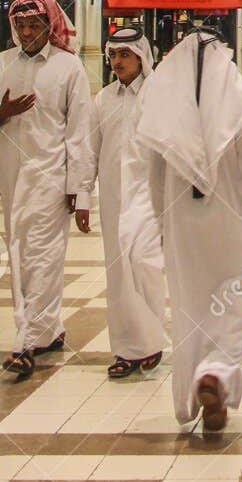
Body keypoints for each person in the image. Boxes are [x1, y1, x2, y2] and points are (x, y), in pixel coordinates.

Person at [130, 27, 242, 433]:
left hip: (180, 222)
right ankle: (216, 372)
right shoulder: (235, 94)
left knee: (190, 304)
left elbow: (153, 175)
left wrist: (160, 222)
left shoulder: (161, 99)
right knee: (236, 293)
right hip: (227, 219)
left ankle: (200, 389)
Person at [0, 0, 92, 382]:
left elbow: (79, 134)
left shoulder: (68, 67)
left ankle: (25, 342)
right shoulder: (0, 64)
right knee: (21, 253)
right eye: (21, 25)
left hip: (52, 178)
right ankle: (48, 330)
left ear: (49, 26)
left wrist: (80, 187)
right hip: (13, 178)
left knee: (42, 255)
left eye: (34, 25)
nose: (26, 32)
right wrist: (0, 114)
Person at [89, 28, 164, 379]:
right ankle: (126, 348)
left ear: (141, 57)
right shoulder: (103, 99)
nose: (117, 61)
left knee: (144, 266)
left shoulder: (156, 95)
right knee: (118, 272)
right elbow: (89, 148)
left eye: (125, 55)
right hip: (112, 199)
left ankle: (149, 342)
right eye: (114, 54)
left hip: (149, 199)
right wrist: (80, 193)